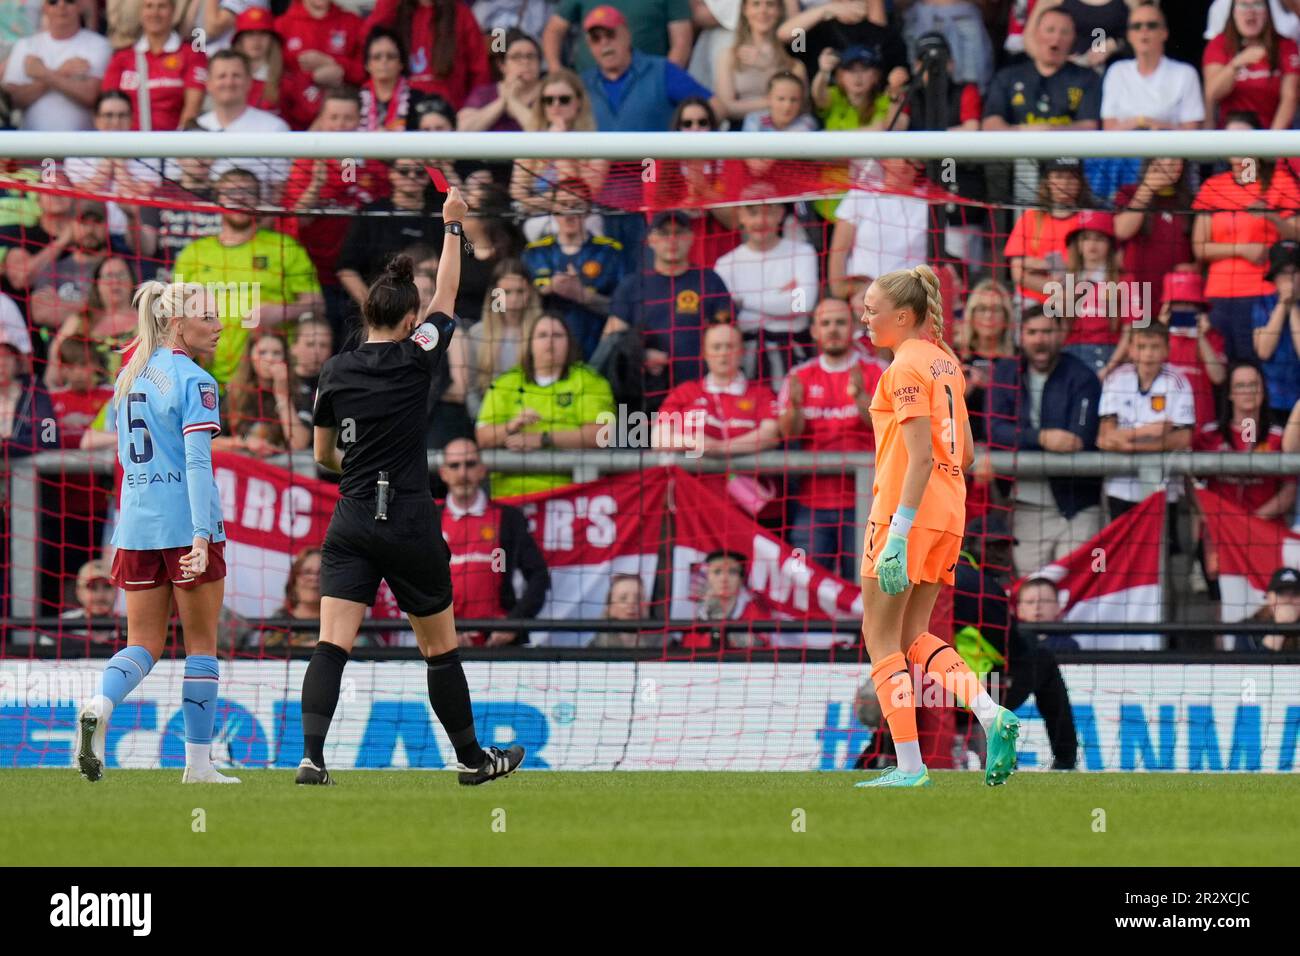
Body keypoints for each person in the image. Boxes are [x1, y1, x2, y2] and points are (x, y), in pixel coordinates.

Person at [302, 187, 524, 786]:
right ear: (408, 322)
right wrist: (452, 227)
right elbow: (447, 296)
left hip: (351, 518)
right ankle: (473, 761)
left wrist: (350, 467)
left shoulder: (334, 371)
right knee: (439, 649)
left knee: (332, 644)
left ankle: (311, 758)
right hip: (406, 518)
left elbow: (323, 454)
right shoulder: (416, 355)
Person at [854, 264, 1018, 788]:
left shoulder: (902, 369)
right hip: (950, 512)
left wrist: (897, 535)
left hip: (905, 511)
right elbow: (965, 453)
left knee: (879, 638)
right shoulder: (947, 363)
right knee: (914, 635)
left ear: (903, 316)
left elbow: (920, 458)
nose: (865, 319)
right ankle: (992, 714)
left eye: (872, 310)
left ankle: (908, 767)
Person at [75, 280, 239, 785]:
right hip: (187, 527)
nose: (219, 326)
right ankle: (198, 765)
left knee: (142, 643)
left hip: (135, 527)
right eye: (207, 316)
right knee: (202, 645)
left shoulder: (129, 375)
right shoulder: (196, 381)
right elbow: (196, 462)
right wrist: (198, 536)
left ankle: (101, 701)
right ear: (176, 323)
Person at [170, 168, 323, 385]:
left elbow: (317, 305)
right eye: (231, 193)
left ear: (258, 200)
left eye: (247, 193)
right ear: (217, 199)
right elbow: (173, 314)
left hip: (268, 377)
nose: (239, 199)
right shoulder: (193, 253)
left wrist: (282, 312)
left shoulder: (284, 247)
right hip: (204, 375)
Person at [954, 520, 1078, 771]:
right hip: (969, 697)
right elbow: (1011, 649)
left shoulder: (949, 572)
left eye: (1006, 547)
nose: (1002, 553)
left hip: (924, 694)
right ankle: (1066, 760)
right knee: (1042, 660)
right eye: (994, 546)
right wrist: (1031, 640)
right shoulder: (984, 588)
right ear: (971, 545)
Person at [989, 306, 1103, 576]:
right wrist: (1042, 437)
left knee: (1077, 588)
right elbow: (994, 430)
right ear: (1020, 335)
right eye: (1032, 332)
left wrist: (1022, 437)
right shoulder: (1005, 372)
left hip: (1078, 504)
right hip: (1027, 505)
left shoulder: (1082, 376)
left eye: (1047, 331)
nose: (1040, 339)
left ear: (1061, 334)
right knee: (1032, 592)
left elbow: (1079, 439)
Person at [778, 297, 881, 580]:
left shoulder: (876, 371)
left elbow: (888, 428)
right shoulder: (798, 376)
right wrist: (796, 407)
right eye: (825, 323)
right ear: (813, 331)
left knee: (863, 586)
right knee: (806, 585)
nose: (833, 330)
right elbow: (788, 432)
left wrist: (861, 398)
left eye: (840, 322)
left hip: (865, 504)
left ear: (853, 328)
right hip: (812, 503)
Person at [599, 210, 734, 412]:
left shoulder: (710, 280)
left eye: (679, 233)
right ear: (651, 239)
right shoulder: (632, 285)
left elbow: (728, 333)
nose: (672, 240)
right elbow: (611, 341)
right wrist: (640, 354)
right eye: (663, 233)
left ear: (690, 238)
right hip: (645, 395)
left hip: (697, 392)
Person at [1192, 111, 1300, 363]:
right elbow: (1200, 246)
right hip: (1219, 294)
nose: (1238, 145)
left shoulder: (1281, 183)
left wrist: (1272, 217)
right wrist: (1241, 249)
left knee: (1259, 371)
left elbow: (1297, 232)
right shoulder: (1213, 186)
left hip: (1263, 294)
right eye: (1231, 138)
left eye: (1244, 138)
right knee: (1223, 372)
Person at [475, 313, 615, 498]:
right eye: (542, 335)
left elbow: (601, 435)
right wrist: (510, 427)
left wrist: (543, 439)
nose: (549, 342)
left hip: (570, 494)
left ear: (569, 343)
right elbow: (482, 437)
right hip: (510, 497)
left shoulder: (589, 381)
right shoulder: (504, 384)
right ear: (530, 343)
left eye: (557, 335)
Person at [438, 437, 550, 647]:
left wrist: (514, 623)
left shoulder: (509, 518)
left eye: (470, 464)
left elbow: (539, 576)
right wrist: (439, 630)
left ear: (482, 470)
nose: (463, 473)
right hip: (445, 645)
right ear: (444, 473)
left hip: (500, 646)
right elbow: (414, 583)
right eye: (455, 466)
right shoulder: (431, 519)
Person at [653, 321, 781, 502]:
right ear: (705, 353)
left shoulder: (762, 393)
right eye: (716, 347)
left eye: (729, 346)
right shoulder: (684, 392)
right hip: (694, 501)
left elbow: (770, 435)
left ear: (742, 351)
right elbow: (658, 439)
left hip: (752, 504)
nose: (723, 353)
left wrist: (718, 448)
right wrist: (694, 442)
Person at [712, 188, 819, 388]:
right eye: (752, 212)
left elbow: (801, 306)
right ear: (740, 216)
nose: (760, 221)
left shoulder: (803, 253)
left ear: (780, 214)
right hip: (743, 360)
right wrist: (781, 302)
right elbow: (729, 319)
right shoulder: (725, 264)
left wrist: (743, 302)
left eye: (768, 211)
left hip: (794, 355)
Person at [1097, 322, 1195, 519]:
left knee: (1161, 548)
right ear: (1131, 350)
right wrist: (1149, 432)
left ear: (1167, 350)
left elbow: (1183, 438)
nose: (1148, 354)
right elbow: (1104, 437)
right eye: (1141, 347)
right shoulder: (1116, 379)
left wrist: (1128, 444)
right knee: (1124, 548)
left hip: (1164, 489)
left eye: (1155, 347)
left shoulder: (1178, 382)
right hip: (1120, 488)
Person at [523, 181, 624, 360]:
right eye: (563, 205)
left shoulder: (610, 253)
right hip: (546, 354)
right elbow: (509, 304)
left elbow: (626, 309)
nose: (569, 214)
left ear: (588, 210)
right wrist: (544, 291)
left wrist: (584, 296)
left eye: (576, 206)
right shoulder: (534, 253)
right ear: (552, 210)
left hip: (597, 351)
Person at [579, 5, 718, 131]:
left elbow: (715, 107)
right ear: (589, 45)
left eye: (610, 34)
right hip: (599, 158)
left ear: (627, 34)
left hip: (653, 159)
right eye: (596, 38)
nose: (604, 43)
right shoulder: (582, 84)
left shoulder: (661, 72)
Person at [191, 49, 293, 194]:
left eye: (236, 75)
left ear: (249, 82)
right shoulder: (192, 130)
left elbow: (279, 191)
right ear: (208, 83)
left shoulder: (275, 129)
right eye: (221, 76)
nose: (229, 82)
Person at [1, 0, 111, 131]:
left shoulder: (99, 45)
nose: (61, 6)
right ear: (44, 8)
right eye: (53, 2)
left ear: (79, 6)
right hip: (32, 146)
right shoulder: (25, 46)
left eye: (69, 1)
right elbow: (14, 100)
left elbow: (91, 96)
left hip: (82, 147)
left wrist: (43, 74)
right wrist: (62, 73)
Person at [362, 0, 491, 109]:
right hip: (400, 115)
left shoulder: (461, 14)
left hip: (448, 116)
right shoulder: (395, 11)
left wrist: (471, 108)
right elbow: (366, 40)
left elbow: (480, 72)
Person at [101, 0, 207, 132]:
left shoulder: (192, 55)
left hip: (174, 145)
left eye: (162, 6)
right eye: (149, 6)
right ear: (140, 13)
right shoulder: (121, 58)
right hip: (129, 146)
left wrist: (178, 146)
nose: (155, 13)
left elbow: (192, 109)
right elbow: (108, 106)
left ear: (173, 12)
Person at [1100, 2, 1204, 132]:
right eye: (1136, 26)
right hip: (1125, 151)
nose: (1144, 30)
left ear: (1164, 33)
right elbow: (1109, 130)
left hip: (1170, 150)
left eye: (1151, 25)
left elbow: (1192, 132)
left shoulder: (1186, 74)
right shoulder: (1116, 72)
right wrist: (1142, 123)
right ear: (1129, 36)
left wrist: (1153, 125)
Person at [1203, 0, 1300, 129]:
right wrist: (1236, 64)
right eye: (1243, 5)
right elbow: (1212, 93)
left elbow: (1290, 96)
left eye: (1257, 5)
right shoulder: (1219, 44)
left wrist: (1271, 143)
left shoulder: (1286, 45)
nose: (1250, 12)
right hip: (1231, 133)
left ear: (1267, 12)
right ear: (1233, 13)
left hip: (1273, 132)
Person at [466, 259, 543, 420]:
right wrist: (483, 421)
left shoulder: (542, 332)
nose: (513, 298)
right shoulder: (477, 334)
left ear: (530, 292)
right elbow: (470, 389)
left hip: (534, 415)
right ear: (495, 293)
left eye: (520, 291)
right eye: (506, 292)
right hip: (489, 417)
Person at [214, 331, 311, 457]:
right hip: (245, 465)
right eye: (262, 352)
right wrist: (244, 443)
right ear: (250, 357)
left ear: (285, 358)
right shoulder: (235, 391)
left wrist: (282, 395)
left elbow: (299, 444)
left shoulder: (301, 392)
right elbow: (210, 441)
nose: (270, 359)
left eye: (276, 353)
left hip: (282, 468)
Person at [715, 0, 807, 123]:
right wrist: (774, 102)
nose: (763, 11)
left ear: (779, 11)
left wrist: (766, 66)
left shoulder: (794, 61)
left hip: (786, 132)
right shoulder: (729, 56)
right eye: (756, 4)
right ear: (745, 10)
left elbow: (802, 105)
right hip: (743, 133)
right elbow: (726, 108)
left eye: (770, 4)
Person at [545, 0, 694, 75]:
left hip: (647, 84)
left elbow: (681, 43)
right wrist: (556, 71)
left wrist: (663, 81)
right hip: (588, 88)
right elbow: (554, 30)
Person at [953, 278, 1014, 444]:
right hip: (963, 448)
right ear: (971, 314)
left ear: (1006, 316)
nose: (988, 316)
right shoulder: (954, 357)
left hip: (1007, 449)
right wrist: (961, 393)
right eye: (982, 309)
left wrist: (995, 387)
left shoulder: (1018, 358)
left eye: (996, 309)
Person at [680, 550, 770, 650]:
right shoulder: (695, 611)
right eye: (717, 572)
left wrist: (720, 620)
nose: (724, 578)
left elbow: (759, 647)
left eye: (732, 572)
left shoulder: (756, 610)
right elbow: (689, 649)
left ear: (741, 579)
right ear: (708, 577)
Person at [456, 29, 542, 133]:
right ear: (502, 65)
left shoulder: (550, 93)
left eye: (531, 56)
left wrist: (513, 102)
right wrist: (502, 102)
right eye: (516, 57)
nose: (525, 62)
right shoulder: (484, 94)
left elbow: (542, 132)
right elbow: (463, 129)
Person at [1253, 239, 1300, 418]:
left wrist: (1293, 307)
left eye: (1294, 271)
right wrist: (1282, 304)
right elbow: (1263, 351)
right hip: (1271, 400)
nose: (1289, 278)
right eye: (1283, 272)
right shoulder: (1262, 304)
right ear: (1274, 277)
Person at [256, 547, 325, 650]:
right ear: (294, 581)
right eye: (307, 572)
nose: (314, 578)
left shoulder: (340, 623)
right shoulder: (277, 622)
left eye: (321, 573)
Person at [58, 559, 120, 647]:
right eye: (92, 587)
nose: (100, 596)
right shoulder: (58, 628)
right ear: (79, 592)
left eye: (107, 587)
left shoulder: (130, 628)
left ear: (116, 591)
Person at [591, 573, 662, 648]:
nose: (631, 604)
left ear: (647, 605)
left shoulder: (666, 644)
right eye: (623, 598)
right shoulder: (594, 648)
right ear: (609, 608)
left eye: (638, 598)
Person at [1237, 566, 1300, 650]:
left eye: (1295, 594)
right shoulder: (1247, 629)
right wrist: (1280, 627)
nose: (1288, 600)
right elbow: (1251, 662)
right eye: (1281, 593)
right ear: (1269, 597)